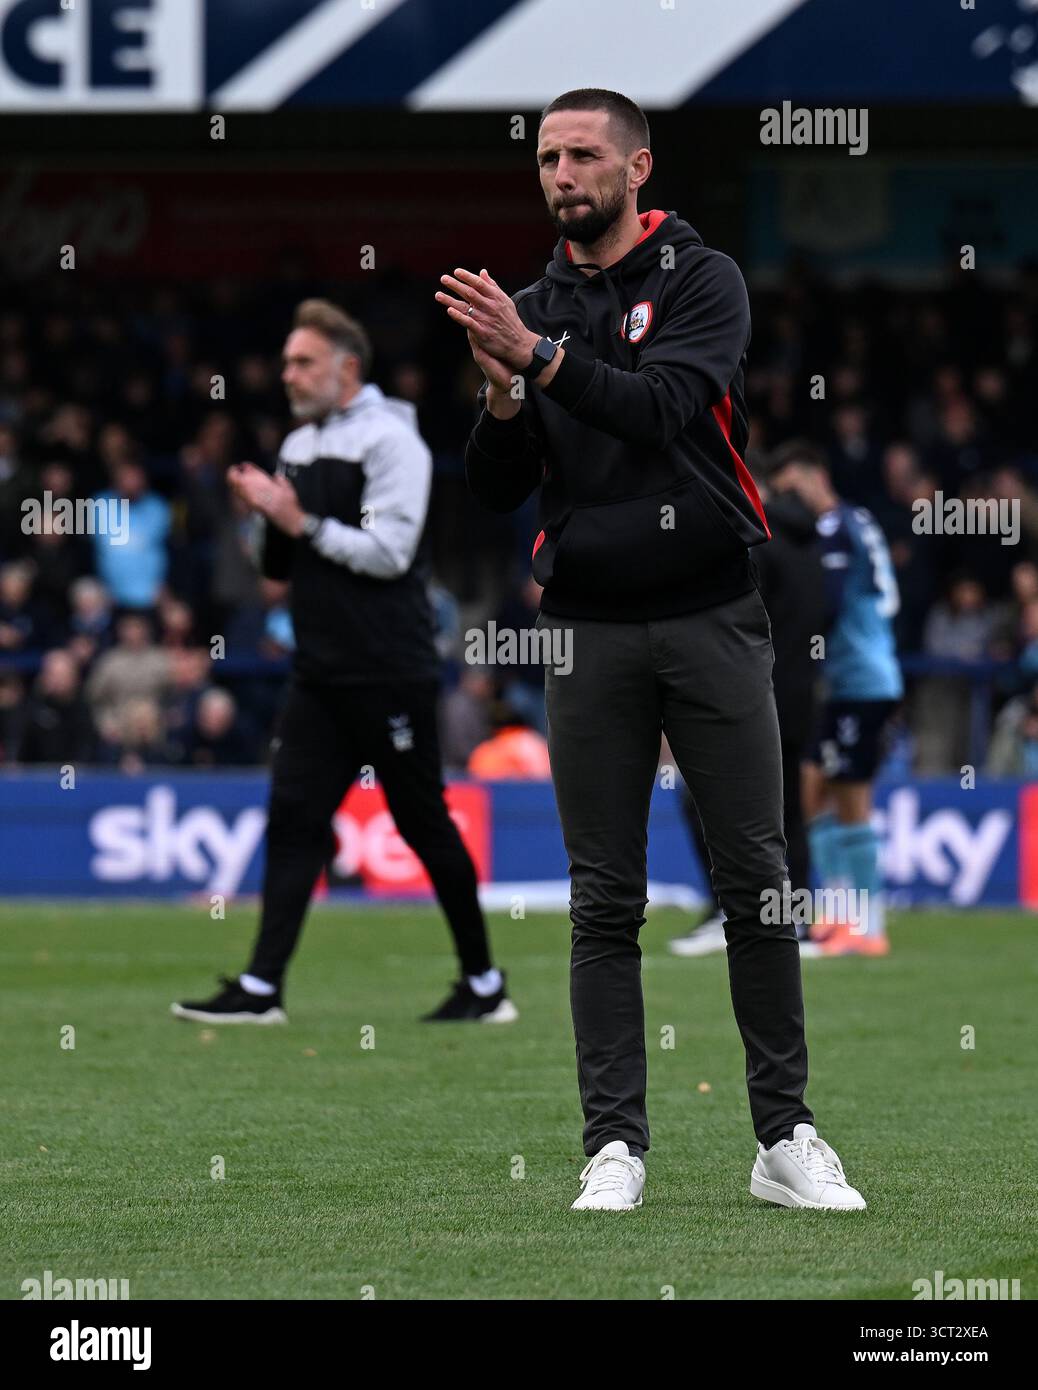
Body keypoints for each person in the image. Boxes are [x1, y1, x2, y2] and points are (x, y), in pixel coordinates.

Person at [439, 88, 864, 1211]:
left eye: (583, 154)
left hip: (714, 612)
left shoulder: (701, 278)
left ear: (637, 170)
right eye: (545, 156)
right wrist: (501, 394)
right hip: (585, 626)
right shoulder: (529, 307)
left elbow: (666, 406)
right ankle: (614, 1146)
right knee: (603, 899)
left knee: (758, 881)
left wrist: (535, 356)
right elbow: (492, 485)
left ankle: (784, 1137)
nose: (560, 173)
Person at [173, 299, 515, 1026]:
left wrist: (295, 520)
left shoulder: (396, 443)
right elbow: (281, 561)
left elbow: (389, 554)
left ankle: (485, 984)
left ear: (347, 368)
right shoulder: (299, 444)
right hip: (319, 670)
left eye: (303, 362)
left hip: (388, 667)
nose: (287, 373)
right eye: (288, 361)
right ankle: (263, 987)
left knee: (422, 822)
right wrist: (262, 519)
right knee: (293, 816)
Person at [669, 454, 828, 957]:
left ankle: (731, 907)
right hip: (801, 690)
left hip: (753, 691)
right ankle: (792, 914)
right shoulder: (808, 543)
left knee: (705, 799)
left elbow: (729, 623)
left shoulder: (754, 541)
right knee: (785, 810)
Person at [768, 442, 904, 956]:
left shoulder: (835, 528)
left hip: (858, 680)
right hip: (840, 680)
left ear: (813, 476)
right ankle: (838, 911)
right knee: (811, 790)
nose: (788, 503)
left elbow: (823, 600)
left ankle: (869, 926)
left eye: (790, 490)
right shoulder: (857, 521)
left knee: (851, 797)